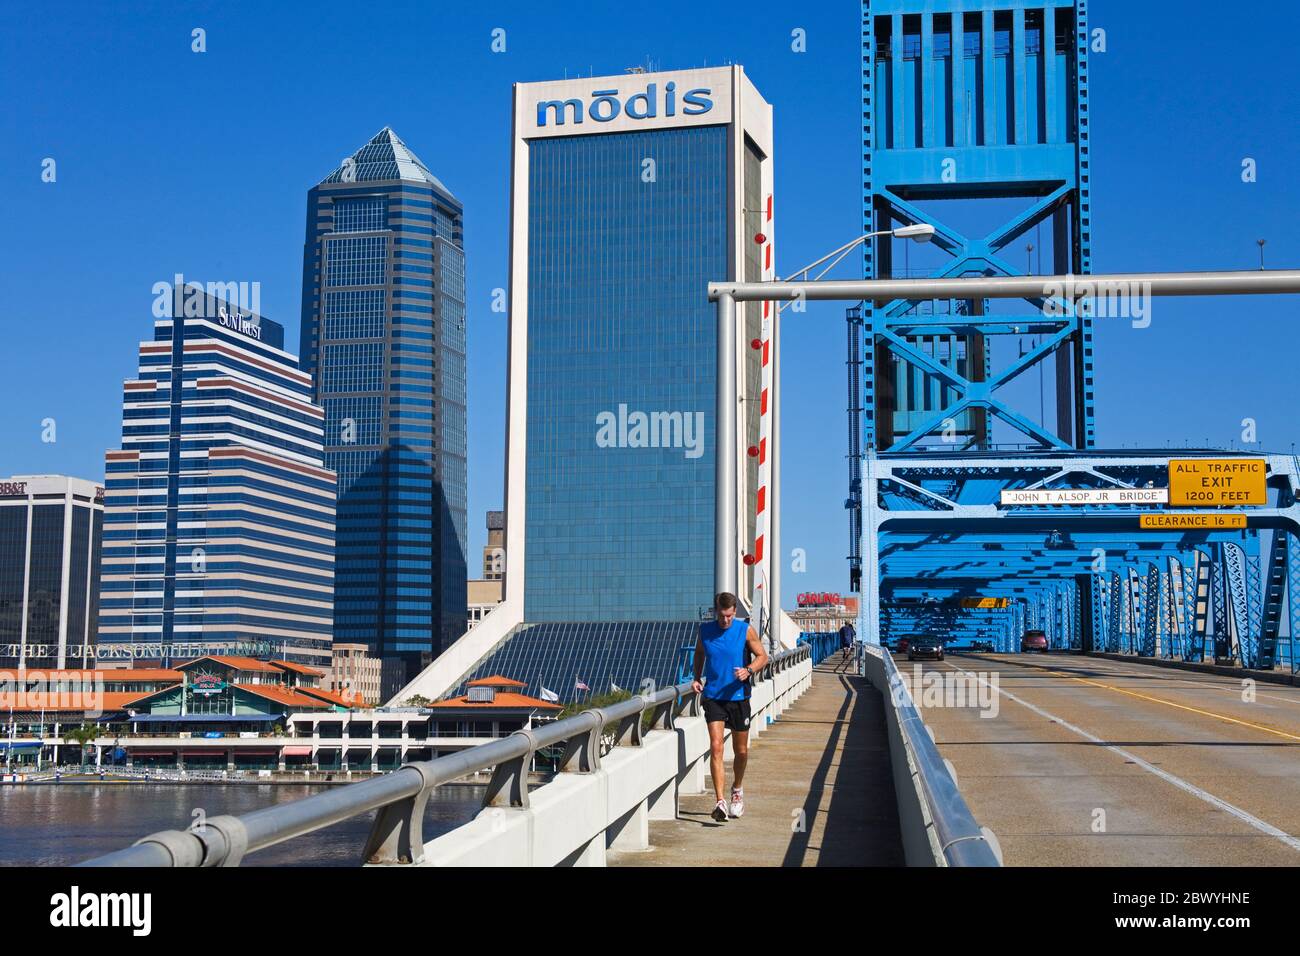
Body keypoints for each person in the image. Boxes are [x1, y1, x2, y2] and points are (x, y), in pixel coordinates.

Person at [691, 591, 769, 823]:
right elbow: (699, 654)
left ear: (735, 612)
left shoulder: (744, 630)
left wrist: (749, 670)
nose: (725, 620)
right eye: (722, 616)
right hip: (714, 696)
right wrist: (696, 677)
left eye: (729, 616)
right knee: (716, 747)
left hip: (738, 697)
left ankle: (737, 790)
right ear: (716, 612)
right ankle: (720, 801)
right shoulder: (705, 631)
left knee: (741, 751)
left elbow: (762, 656)